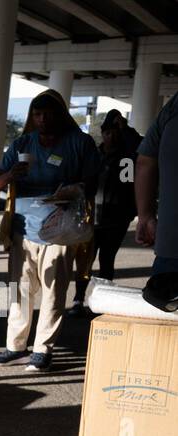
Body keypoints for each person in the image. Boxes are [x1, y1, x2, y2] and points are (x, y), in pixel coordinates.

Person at [0, 89, 100, 373]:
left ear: (60, 115)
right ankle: (15, 347)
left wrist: (75, 190)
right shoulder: (22, 143)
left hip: (61, 229)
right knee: (21, 290)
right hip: (22, 228)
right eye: (37, 114)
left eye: (48, 114)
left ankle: (43, 351)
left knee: (53, 291)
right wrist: (11, 175)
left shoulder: (79, 143)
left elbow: (94, 180)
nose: (42, 119)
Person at [71, 110, 141, 310]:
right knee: (85, 261)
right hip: (91, 217)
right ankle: (78, 299)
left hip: (115, 220)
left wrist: (126, 129)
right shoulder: (94, 155)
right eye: (108, 132)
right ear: (103, 133)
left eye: (116, 132)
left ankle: (102, 301)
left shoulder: (127, 159)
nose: (112, 136)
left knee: (106, 261)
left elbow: (138, 146)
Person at [136, 91, 178, 276]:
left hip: (172, 245)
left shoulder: (173, 108)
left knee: (164, 301)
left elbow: (144, 162)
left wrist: (145, 216)